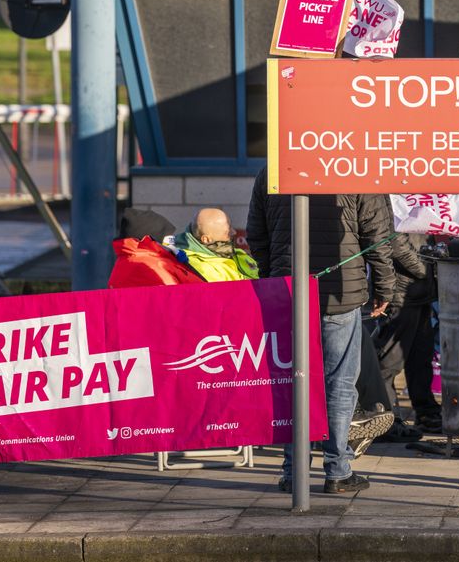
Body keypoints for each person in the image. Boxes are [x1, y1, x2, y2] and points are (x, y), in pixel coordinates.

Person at [246, 167, 395, 494]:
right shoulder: (353, 168)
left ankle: (292, 470)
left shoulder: (272, 168)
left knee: (292, 380)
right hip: (339, 297)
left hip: (289, 292)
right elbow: (378, 237)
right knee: (339, 384)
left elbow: (256, 234)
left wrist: (273, 276)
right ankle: (338, 470)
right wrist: (385, 287)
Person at [372, 229, 439, 436]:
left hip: (419, 290)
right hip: (402, 291)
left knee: (421, 356)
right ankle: (385, 418)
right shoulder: (395, 200)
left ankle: (426, 410)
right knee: (390, 360)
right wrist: (425, 270)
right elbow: (394, 241)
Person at [166, 208, 259, 282]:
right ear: (206, 239)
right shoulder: (199, 268)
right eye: (227, 231)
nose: (234, 232)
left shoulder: (235, 253)